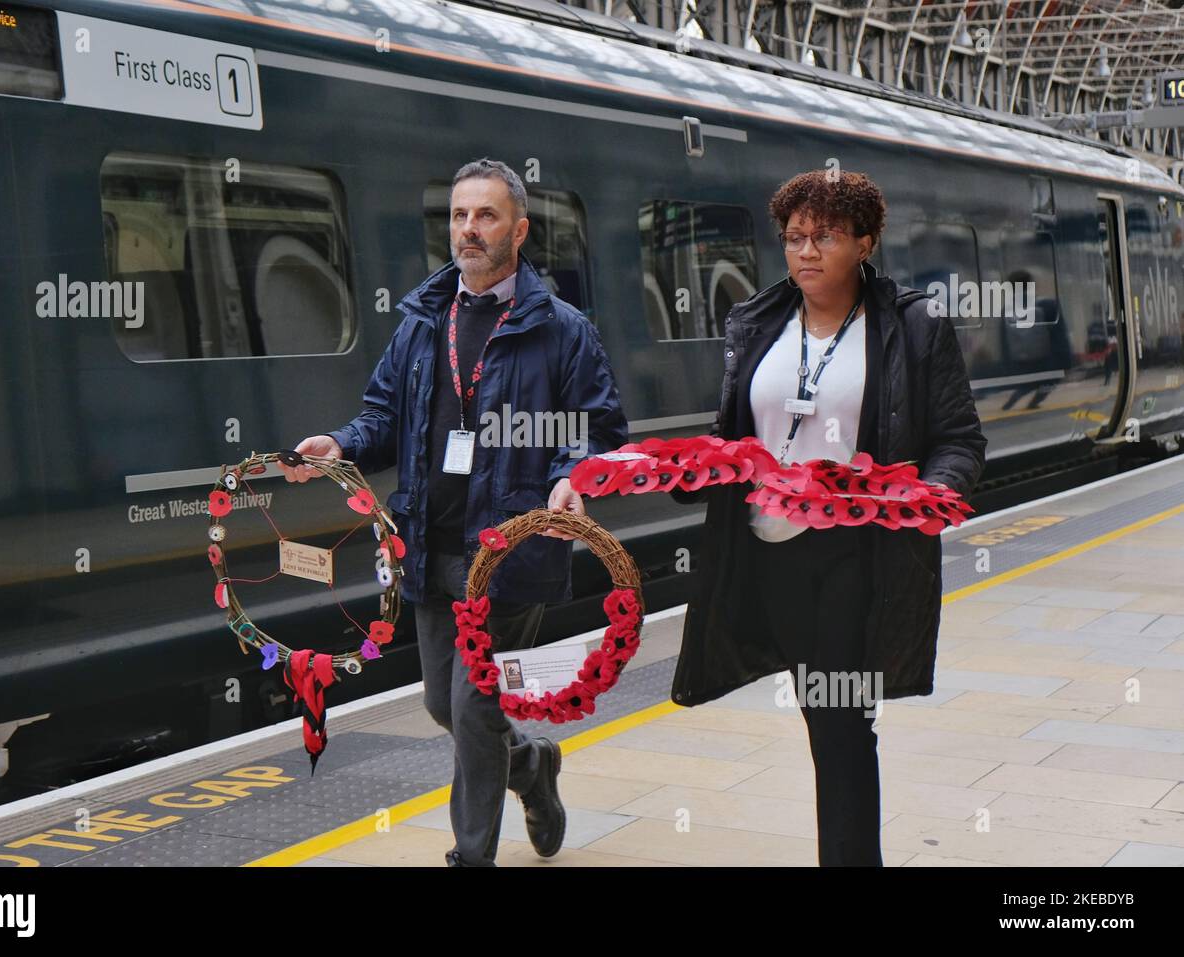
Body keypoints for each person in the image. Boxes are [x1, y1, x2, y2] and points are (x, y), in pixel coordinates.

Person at [280, 158, 629, 866]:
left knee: (473, 704)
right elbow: (382, 414)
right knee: (445, 703)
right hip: (429, 542)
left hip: (509, 549)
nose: (469, 229)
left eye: (486, 215)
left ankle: (471, 855)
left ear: (520, 229)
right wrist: (339, 443)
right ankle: (533, 766)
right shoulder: (421, 323)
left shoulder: (560, 329)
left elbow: (595, 430)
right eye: (459, 216)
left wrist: (571, 479)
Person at [670, 170, 986, 866]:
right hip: (766, 549)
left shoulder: (913, 324)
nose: (806, 251)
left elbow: (960, 440)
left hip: (855, 553)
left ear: (866, 241)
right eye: (794, 237)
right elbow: (737, 434)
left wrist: (926, 498)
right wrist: (691, 473)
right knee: (824, 717)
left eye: (826, 236)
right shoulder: (757, 321)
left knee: (841, 720)